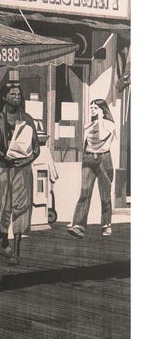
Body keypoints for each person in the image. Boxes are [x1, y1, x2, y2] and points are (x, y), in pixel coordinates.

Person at [0, 82, 40, 265]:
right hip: (2, 167)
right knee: (3, 204)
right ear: (4, 97)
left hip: (22, 168)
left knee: (21, 205)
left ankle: (16, 248)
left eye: (19, 94)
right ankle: (3, 242)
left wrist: (25, 161)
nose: (17, 97)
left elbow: (36, 148)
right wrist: (4, 157)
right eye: (13, 94)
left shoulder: (28, 119)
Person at [68, 99, 116, 239]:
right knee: (84, 191)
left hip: (104, 158)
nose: (93, 110)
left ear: (102, 109)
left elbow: (101, 137)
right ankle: (78, 225)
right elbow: (85, 143)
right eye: (91, 107)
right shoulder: (88, 125)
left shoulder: (109, 124)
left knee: (105, 193)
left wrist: (100, 119)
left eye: (96, 107)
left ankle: (106, 224)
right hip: (89, 158)